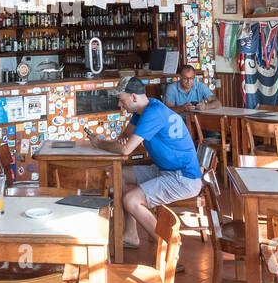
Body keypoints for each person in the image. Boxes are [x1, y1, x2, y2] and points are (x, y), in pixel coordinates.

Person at [86, 76, 201, 248]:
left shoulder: (152, 113)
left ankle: (168, 248)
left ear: (133, 97)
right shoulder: (144, 109)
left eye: (121, 99)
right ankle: (131, 235)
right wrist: (118, 143)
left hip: (183, 178)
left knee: (131, 200)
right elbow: (124, 139)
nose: (119, 105)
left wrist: (99, 142)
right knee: (120, 175)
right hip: (165, 170)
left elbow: (125, 149)